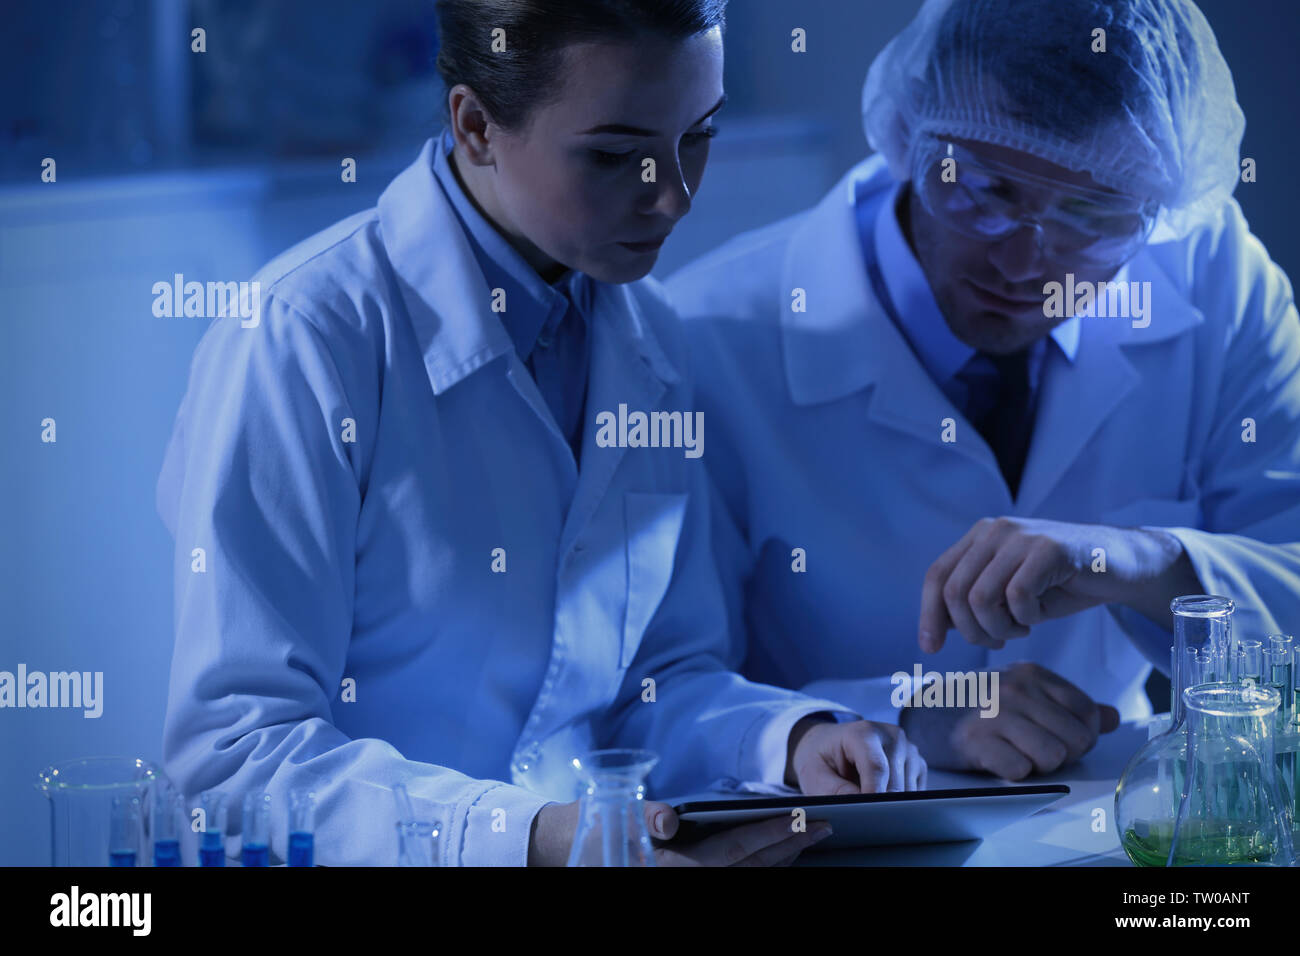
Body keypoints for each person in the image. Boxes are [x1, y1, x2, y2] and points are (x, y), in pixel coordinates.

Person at [155, 0, 924, 868]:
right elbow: (235, 757)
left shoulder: (653, 336)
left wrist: (786, 739)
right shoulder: (303, 338)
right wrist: (533, 839)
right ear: (477, 125)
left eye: (698, 135)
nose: (672, 195)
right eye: (613, 155)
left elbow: (655, 684)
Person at [666, 0, 1300, 781]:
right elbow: (655, 693)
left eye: (1092, 215)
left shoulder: (1219, 283)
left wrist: (1150, 563)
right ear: (909, 131)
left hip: (1109, 830)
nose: (1027, 264)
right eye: (985, 192)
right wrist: (902, 712)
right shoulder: (704, 339)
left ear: (1155, 207)